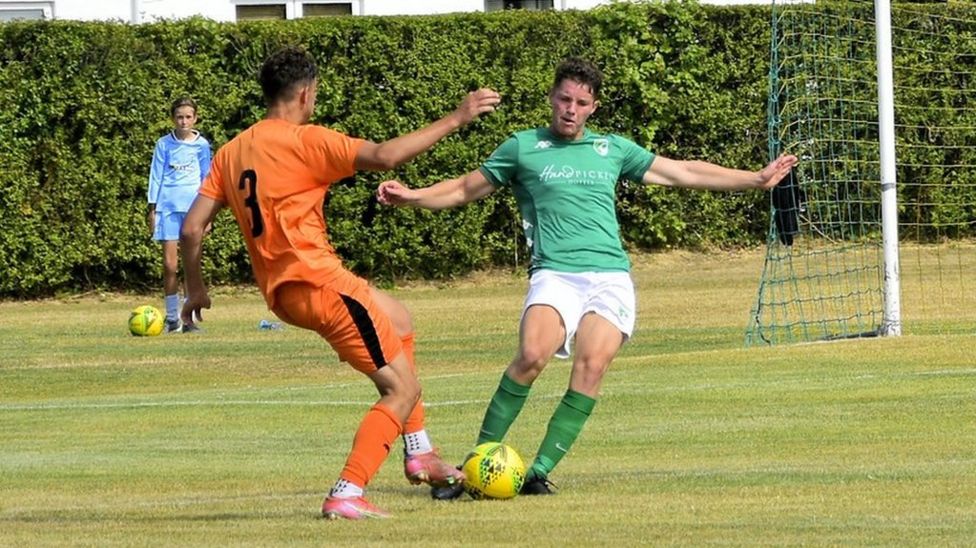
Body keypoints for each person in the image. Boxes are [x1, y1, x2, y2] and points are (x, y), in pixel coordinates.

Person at [377, 57, 798, 498]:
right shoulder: (522, 147)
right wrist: (413, 197)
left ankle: (538, 470)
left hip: (609, 277)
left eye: (581, 102)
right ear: (551, 99)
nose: (570, 109)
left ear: (593, 107)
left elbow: (684, 170)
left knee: (592, 365)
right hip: (554, 274)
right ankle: (478, 463)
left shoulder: (612, 149)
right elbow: (466, 187)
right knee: (531, 356)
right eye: (564, 99)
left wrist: (755, 179)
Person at [179, 46, 501, 520]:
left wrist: (196, 287)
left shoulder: (231, 151)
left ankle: (420, 451)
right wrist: (458, 116)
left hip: (285, 294)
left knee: (398, 317)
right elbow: (386, 156)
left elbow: (190, 229)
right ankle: (347, 491)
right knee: (401, 390)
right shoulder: (305, 141)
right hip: (321, 285)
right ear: (305, 94)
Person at [148, 96, 212, 333]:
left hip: (194, 211)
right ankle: (171, 317)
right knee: (169, 265)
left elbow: (208, 178)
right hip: (168, 209)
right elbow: (156, 176)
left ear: (194, 118)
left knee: (191, 266)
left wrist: (208, 214)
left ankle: (188, 320)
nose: (183, 121)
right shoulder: (163, 144)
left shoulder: (202, 145)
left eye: (188, 117)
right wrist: (152, 208)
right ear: (173, 119)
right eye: (179, 117)